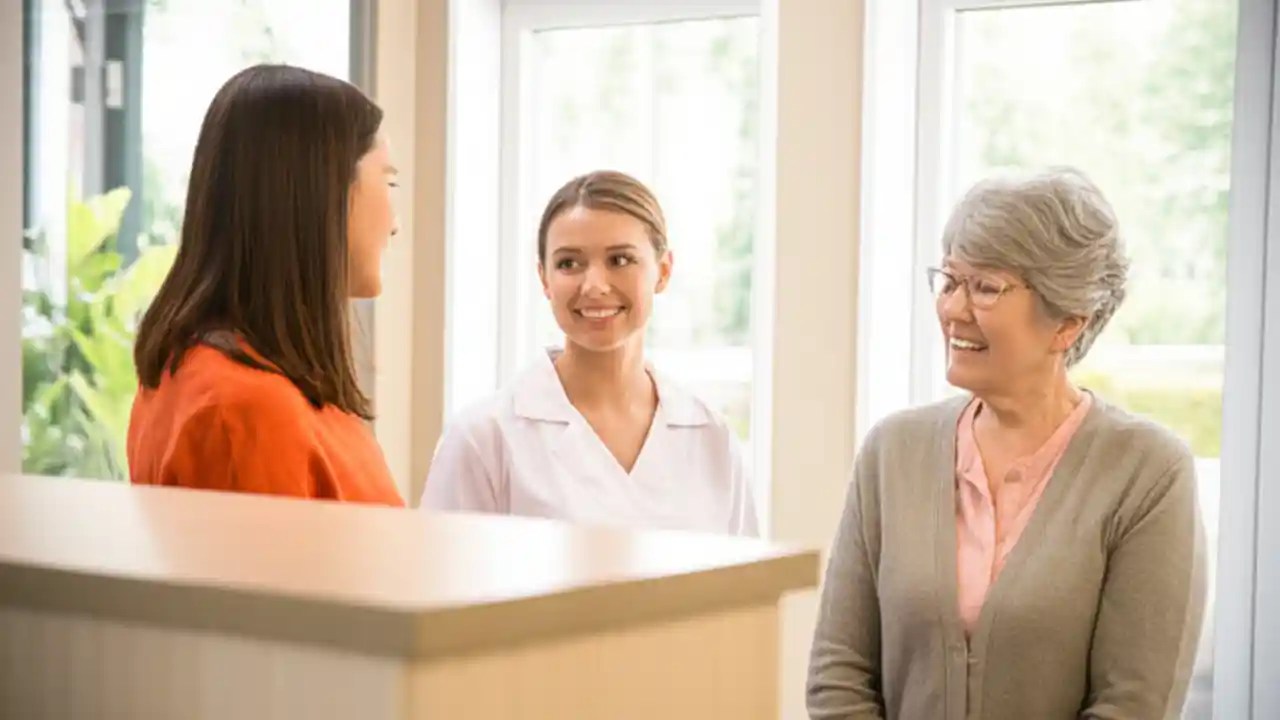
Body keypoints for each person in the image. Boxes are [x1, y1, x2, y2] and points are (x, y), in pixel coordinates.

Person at [807, 167, 1205, 718]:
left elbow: (1134, 703)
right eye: (948, 280)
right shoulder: (891, 453)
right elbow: (838, 674)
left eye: (985, 287)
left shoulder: (1148, 472)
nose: (952, 309)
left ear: (1067, 321)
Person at [420, 170, 757, 535]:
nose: (594, 286)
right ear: (545, 279)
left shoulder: (712, 438)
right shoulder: (483, 438)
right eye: (569, 263)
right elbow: (441, 586)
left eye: (620, 260)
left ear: (663, 271)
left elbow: (749, 588)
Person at [128, 64, 403, 506]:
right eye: (388, 182)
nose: (395, 224)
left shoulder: (245, 378)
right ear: (324, 194)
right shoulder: (245, 407)